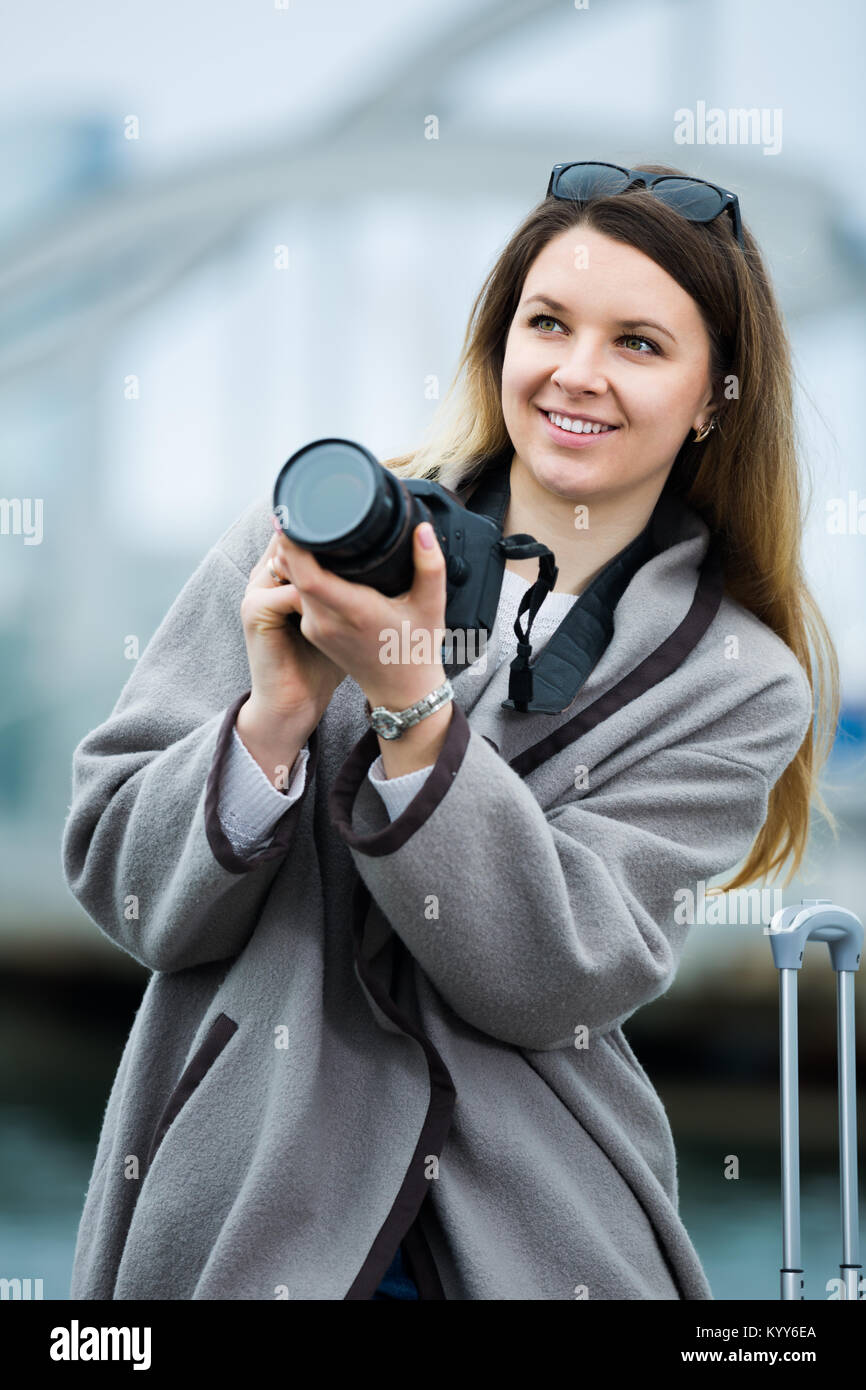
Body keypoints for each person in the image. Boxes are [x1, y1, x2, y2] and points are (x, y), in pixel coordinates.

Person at [61, 161, 837, 1300]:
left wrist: (408, 706)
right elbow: (127, 892)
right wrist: (274, 718)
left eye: (637, 343)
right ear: (498, 341)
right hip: (247, 1200)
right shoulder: (313, 538)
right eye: (547, 323)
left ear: (714, 394)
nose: (576, 373)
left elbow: (551, 975)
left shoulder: (736, 680)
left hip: (531, 1229)